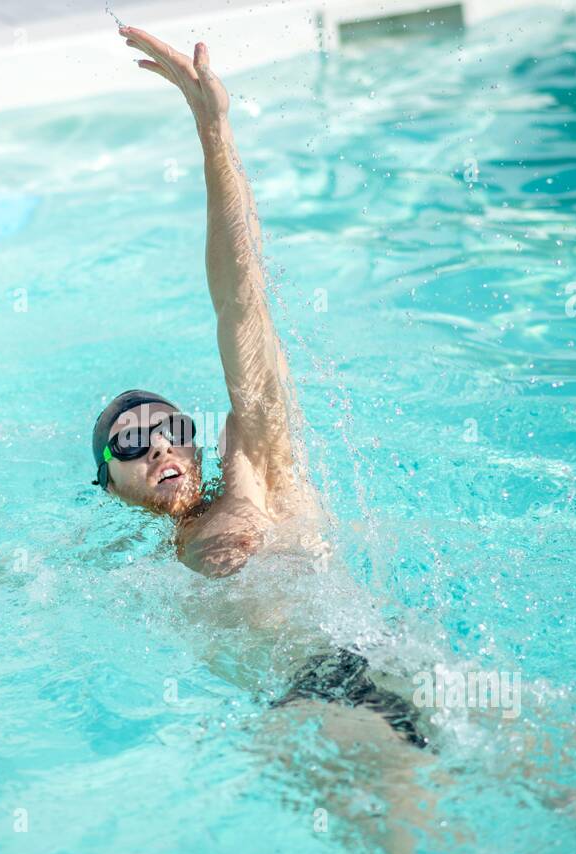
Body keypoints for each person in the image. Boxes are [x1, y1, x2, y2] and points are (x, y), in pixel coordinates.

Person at [92, 26, 429, 750]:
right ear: (108, 485)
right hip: (315, 694)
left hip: (349, 675)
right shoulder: (137, 566)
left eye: (170, 427)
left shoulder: (256, 473)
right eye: (130, 440)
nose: (157, 446)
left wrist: (213, 129)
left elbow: (242, 302)